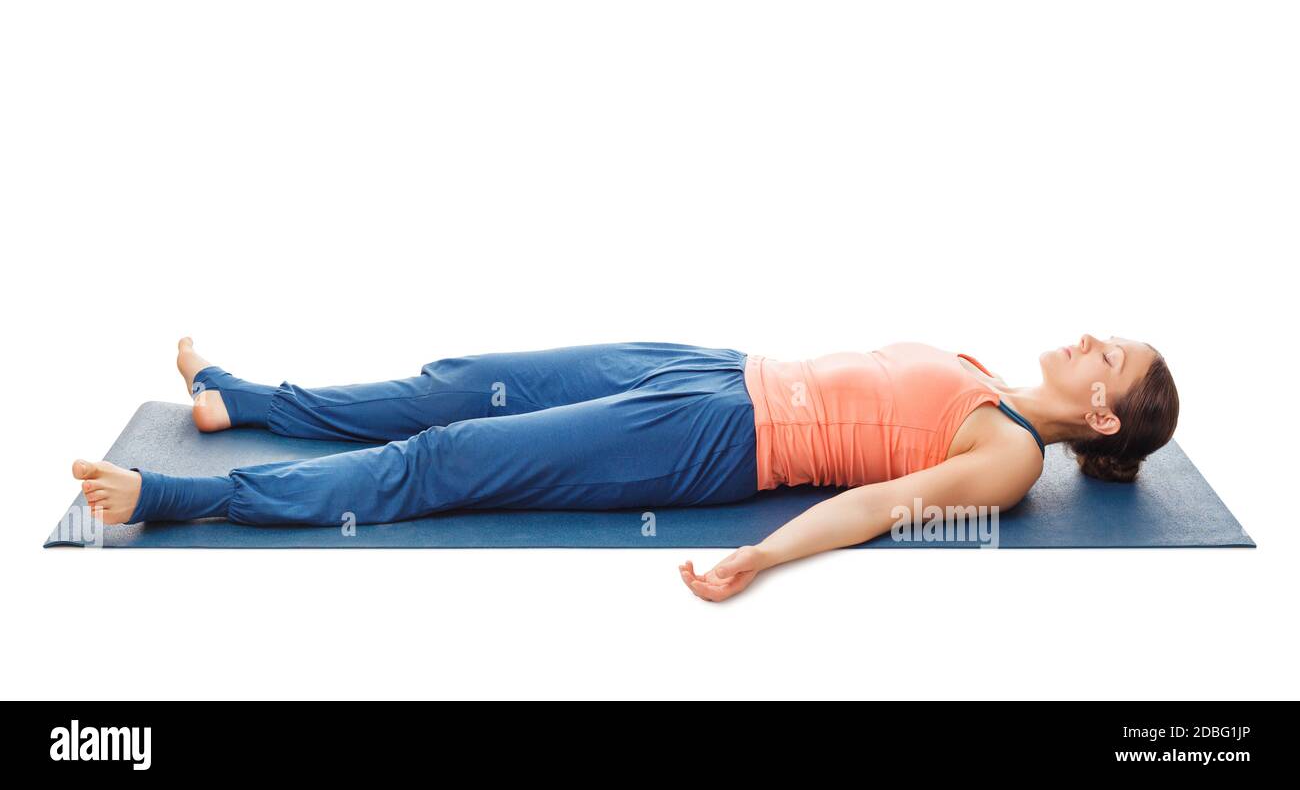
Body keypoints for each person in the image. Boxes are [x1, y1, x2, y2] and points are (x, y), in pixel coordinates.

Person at [72, 334, 1178, 601]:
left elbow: (879, 504)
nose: (1090, 337)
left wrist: (760, 556)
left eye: (1109, 355)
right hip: (712, 367)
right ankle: (250, 400)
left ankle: (181, 498)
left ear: (1100, 411)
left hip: (718, 441)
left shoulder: (1006, 458)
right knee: (467, 380)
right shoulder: (986, 375)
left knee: (448, 458)